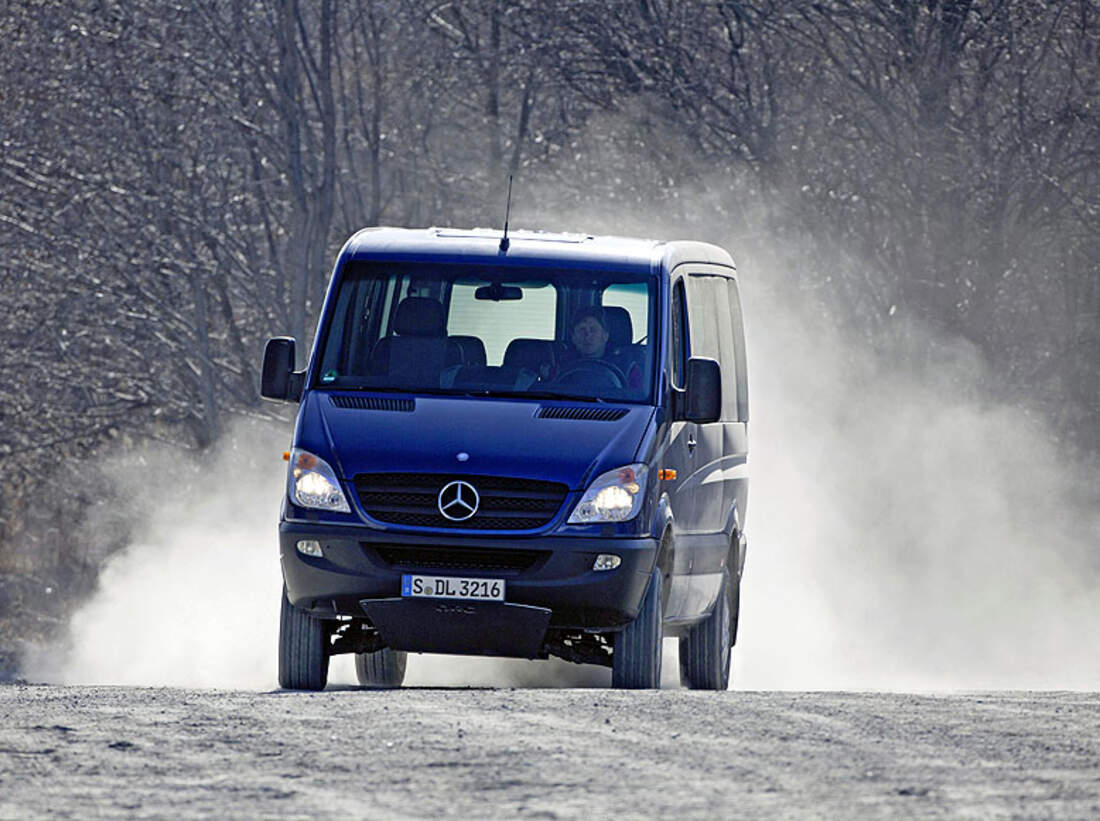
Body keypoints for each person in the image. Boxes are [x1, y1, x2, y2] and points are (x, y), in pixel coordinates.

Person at [562, 306, 642, 389]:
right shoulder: (561, 364)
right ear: (573, 337)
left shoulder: (627, 368)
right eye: (582, 330)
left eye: (593, 330)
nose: (587, 335)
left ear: (605, 336)